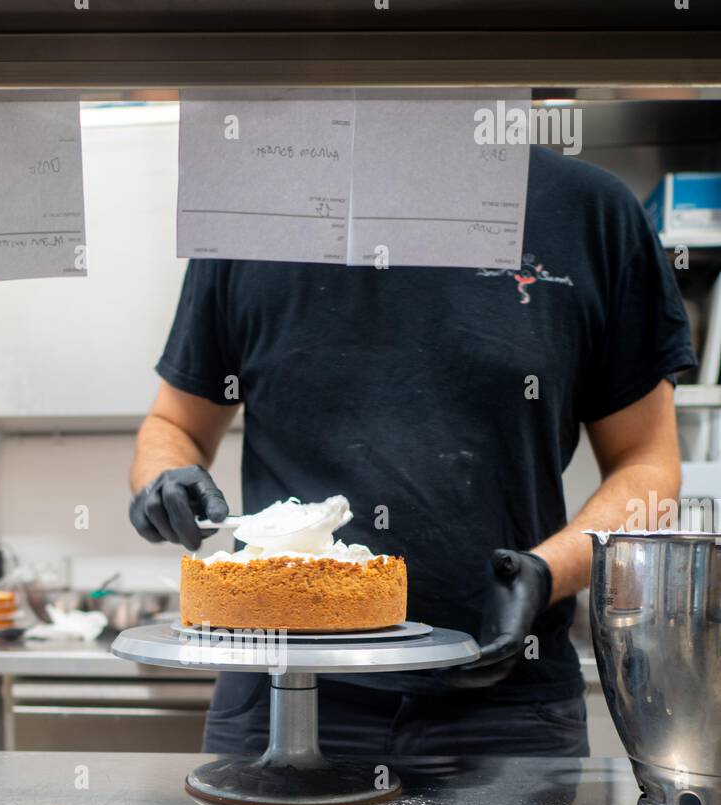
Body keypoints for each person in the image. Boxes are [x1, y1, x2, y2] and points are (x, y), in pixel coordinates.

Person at [129, 145, 694, 759]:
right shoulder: (258, 212)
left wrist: (544, 571)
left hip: (503, 702)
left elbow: (648, 465)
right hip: (280, 696)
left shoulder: (589, 211)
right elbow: (174, 422)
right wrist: (164, 479)